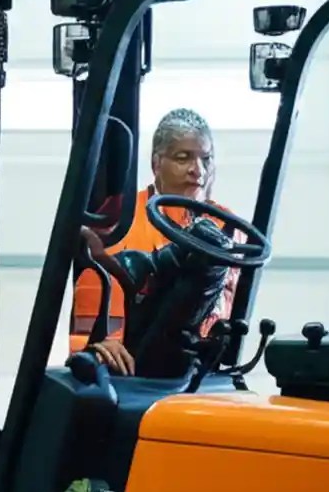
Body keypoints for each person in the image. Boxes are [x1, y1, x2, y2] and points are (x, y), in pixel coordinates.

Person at [74, 108, 244, 376]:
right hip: (133, 365)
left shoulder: (229, 228)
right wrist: (103, 341)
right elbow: (96, 293)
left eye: (206, 159)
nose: (198, 171)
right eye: (183, 158)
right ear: (156, 164)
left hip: (201, 369)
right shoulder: (121, 217)